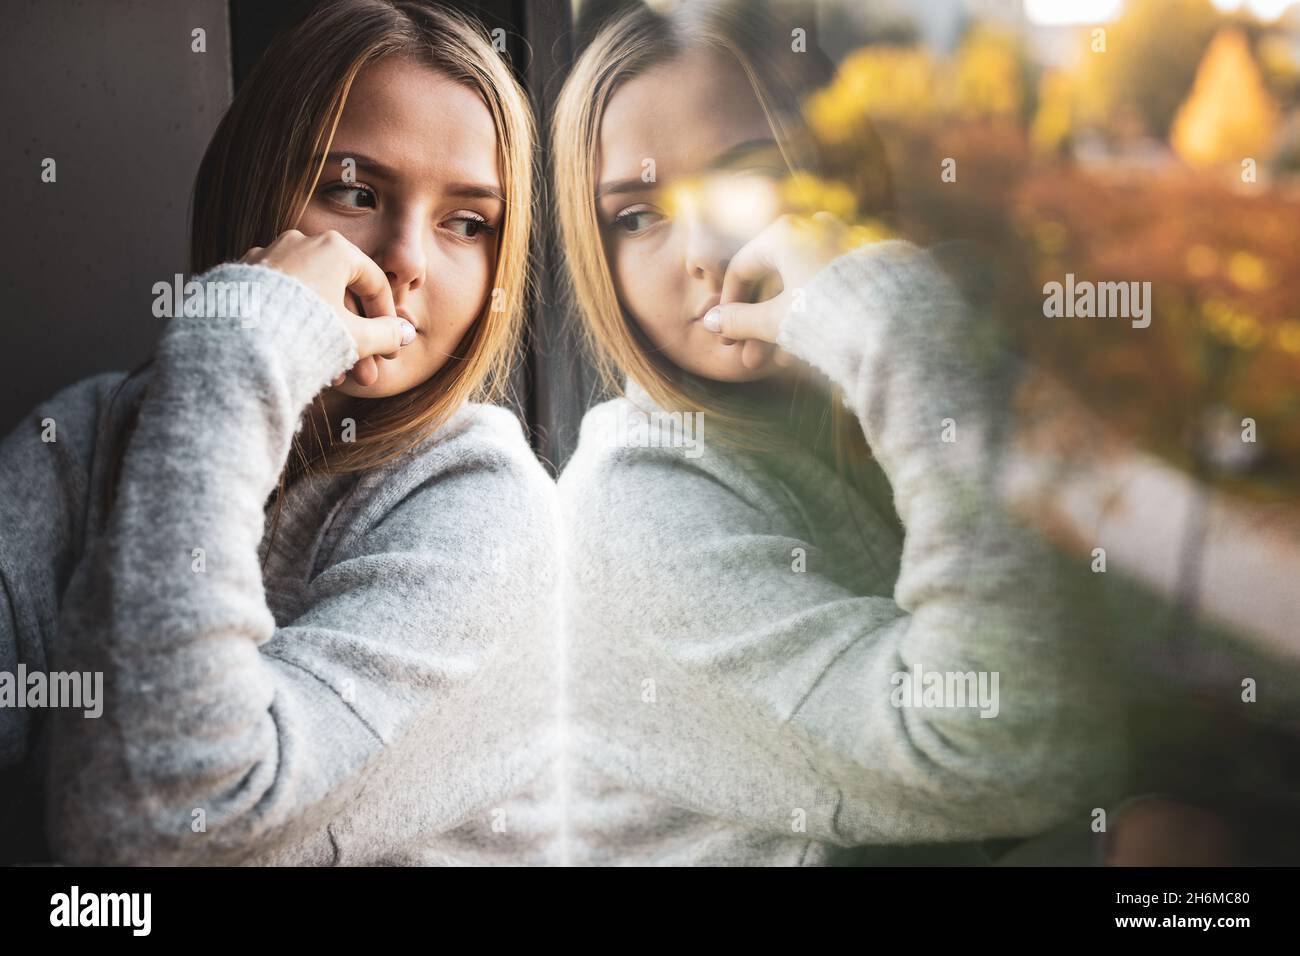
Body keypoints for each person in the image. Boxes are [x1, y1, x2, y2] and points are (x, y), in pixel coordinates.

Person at [552, 0, 1128, 865]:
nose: (703, 250)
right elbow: (1001, 754)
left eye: (745, 178)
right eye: (635, 216)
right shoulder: (630, 505)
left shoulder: (867, 392)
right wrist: (904, 337)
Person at [0, 0, 559, 866]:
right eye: (355, 191)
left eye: (467, 222)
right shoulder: (82, 436)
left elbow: (167, 822)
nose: (408, 256)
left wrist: (238, 353)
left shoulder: (486, 505)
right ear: (249, 186)